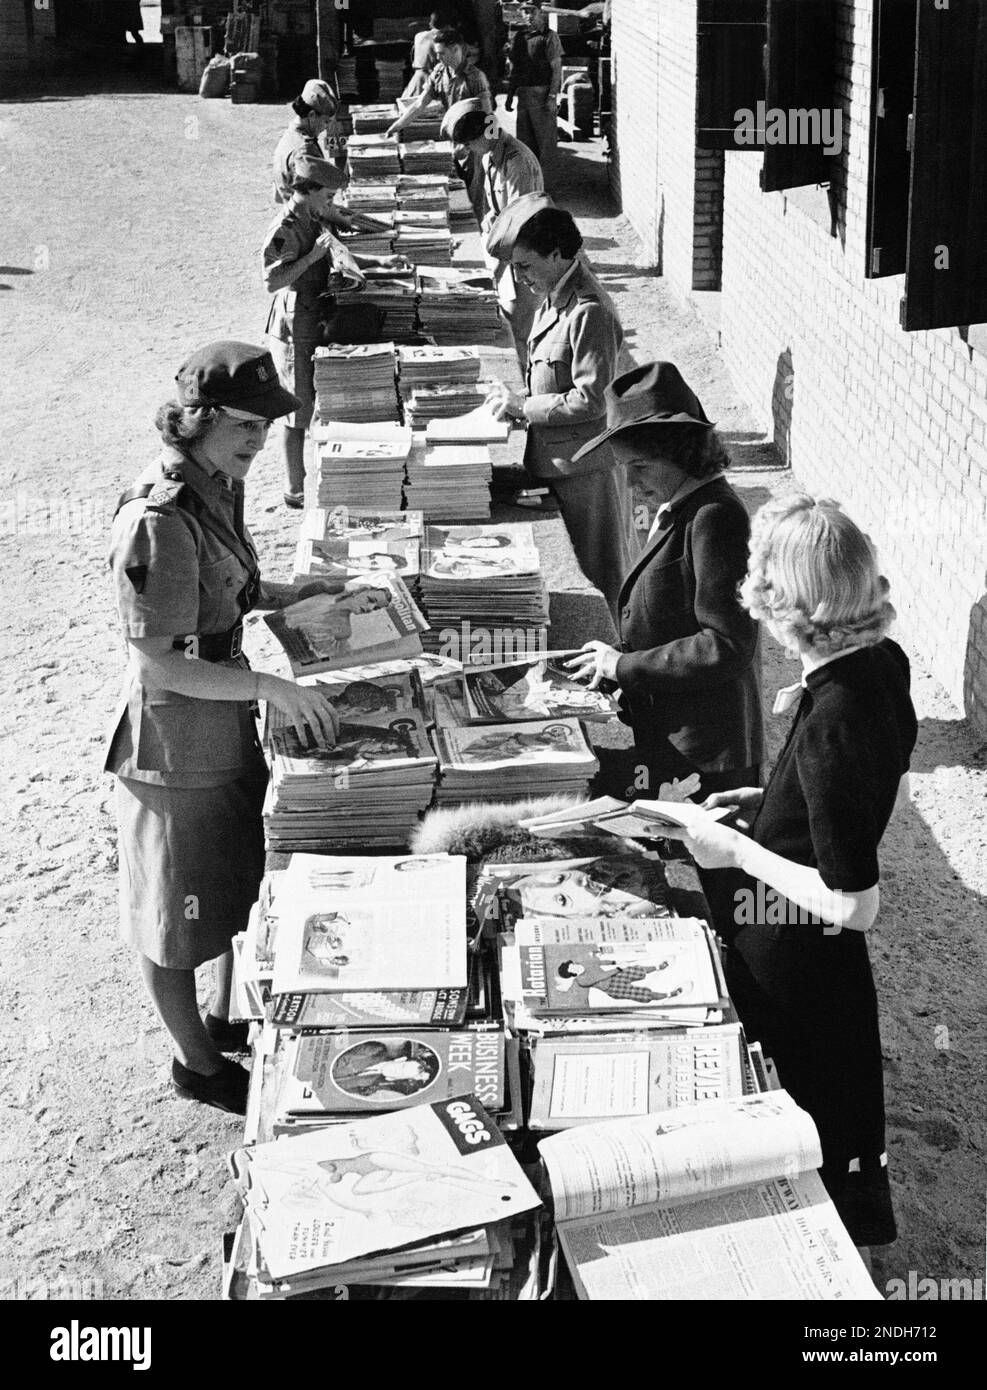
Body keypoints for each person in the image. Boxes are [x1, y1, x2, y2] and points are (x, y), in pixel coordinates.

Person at [657, 495, 917, 1249]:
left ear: (773, 599)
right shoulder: (879, 664)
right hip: (804, 942)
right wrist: (773, 801)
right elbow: (877, 786)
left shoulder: (834, 721)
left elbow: (853, 904)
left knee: (800, 1116)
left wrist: (735, 850)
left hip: (798, 952)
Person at [105, 342, 343, 1115]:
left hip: (224, 714)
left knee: (229, 880)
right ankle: (197, 1064)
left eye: (266, 428)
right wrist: (269, 683)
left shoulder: (216, 485)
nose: (257, 442)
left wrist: (289, 591)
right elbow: (158, 662)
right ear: (198, 419)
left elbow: (227, 592)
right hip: (176, 740)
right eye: (244, 425)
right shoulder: (159, 517)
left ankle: (220, 1015)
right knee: (173, 915)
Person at [565, 361, 764, 803]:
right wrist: (613, 659)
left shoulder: (715, 517)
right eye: (624, 470)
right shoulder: (680, 504)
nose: (631, 484)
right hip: (674, 733)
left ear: (680, 451)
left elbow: (726, 644)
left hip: (708, 749)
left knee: (718, 867)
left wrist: (625, 666)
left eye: (640, 467)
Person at [485, 205, 638, 616]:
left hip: (585, 467)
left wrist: (526, 406)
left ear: (556, 254)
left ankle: (626, 657)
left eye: (525, 266)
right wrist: (518, 403)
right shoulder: (554, 293)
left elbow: (591, 399)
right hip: (555, 459)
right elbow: (554, 376)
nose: (520, 277)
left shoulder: (590, 311)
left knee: (605, 573)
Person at [262, 158, 410, 508]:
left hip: (317, 314)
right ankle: (295, 489)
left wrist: (378, 264)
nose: (331, 203)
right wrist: (312, 257)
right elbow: (271, 281)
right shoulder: (285, 227)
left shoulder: (312, 216)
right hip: (295, 324)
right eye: (327, 196)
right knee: (296, 409)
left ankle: (319, 478)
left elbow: (337, 255)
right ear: (308, 191)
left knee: (322, 397)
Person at [442, 100, 544, 357]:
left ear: (483, 134)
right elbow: (497, 210)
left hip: (527, 256)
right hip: (506, 253)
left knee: (517, 334)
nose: (467, 149)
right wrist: (488, 223)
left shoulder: (516, 163)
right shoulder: (489, 156)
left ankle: (528, 389)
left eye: (468, 143)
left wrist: (494, 274)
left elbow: (520, 224)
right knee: (503, 323)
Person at [385, 26, 492, 136]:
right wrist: (397, 125)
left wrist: (486, 143)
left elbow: (487, 113)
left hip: (473, 137)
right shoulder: (438, 74)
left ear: (455, 49)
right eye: (436, 53)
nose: (437, 57)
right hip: (452, 133)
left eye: (442, 53)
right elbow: (419, 104)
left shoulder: (475, 77)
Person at [505, 2, 563, 183]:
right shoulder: (519, 37)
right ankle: (530, 187)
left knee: (545, 146)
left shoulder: (549, 36)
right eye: (525, 11)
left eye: (532, 11)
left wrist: (553, 96)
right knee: (524, 145)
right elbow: (514, 69)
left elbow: (556, 68)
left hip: (542, 96)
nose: (529, 15)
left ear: (540, 13)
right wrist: (509, 96)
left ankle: (547, 189)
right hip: (523, 96)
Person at [402, 10, 450, 97]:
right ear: (448, 25)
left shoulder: (418, 36)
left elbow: (412, 56)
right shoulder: (443, 38)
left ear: (430, 23)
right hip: (433, 78)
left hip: (417, 78)